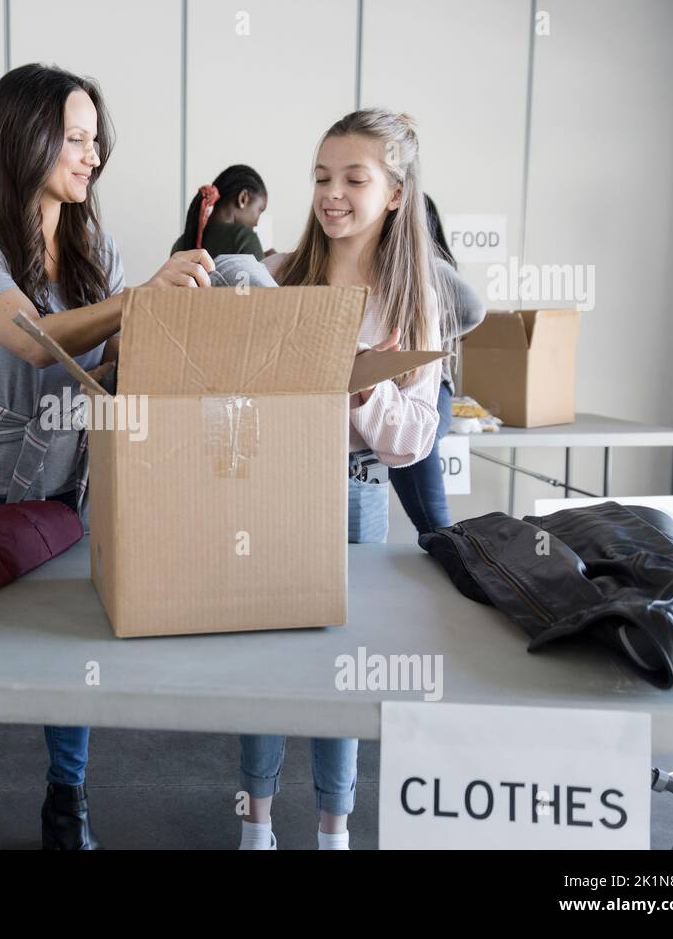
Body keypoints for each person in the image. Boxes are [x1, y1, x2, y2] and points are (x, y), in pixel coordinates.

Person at [0, 62, 214, 850]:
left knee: (73, 653)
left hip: (76, 489)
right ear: (27, 138)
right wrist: (139, 300)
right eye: (76, 138)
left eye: (98, 141)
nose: (92, 156)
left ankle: (68, 802)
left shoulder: (95, 245)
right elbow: (30, 342)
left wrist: (173, 325)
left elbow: (121, 352)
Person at [241, 109, 456, 850]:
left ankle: (334, 831)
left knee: (339, 676)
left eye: (354, 179)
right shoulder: (279, 275)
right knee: (267, 674)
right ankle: (257, 826)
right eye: (323, 177)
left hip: (355, 499)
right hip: (270, 492)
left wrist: (366, 388)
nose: (332, 194)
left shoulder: (415, 299)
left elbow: (412, 445)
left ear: (395, 193)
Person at [388, 194, 486, 536]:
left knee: (413, 436)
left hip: (430, 390)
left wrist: (424, 337)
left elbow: (473, 311)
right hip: (385, 387)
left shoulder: (427, 265)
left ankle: (448, 545)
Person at [171, 164, 270, 260]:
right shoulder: (243, 237)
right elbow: (257, 277)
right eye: (260, 210)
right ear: (243, 198)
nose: (257, 223)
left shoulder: (181, 243)